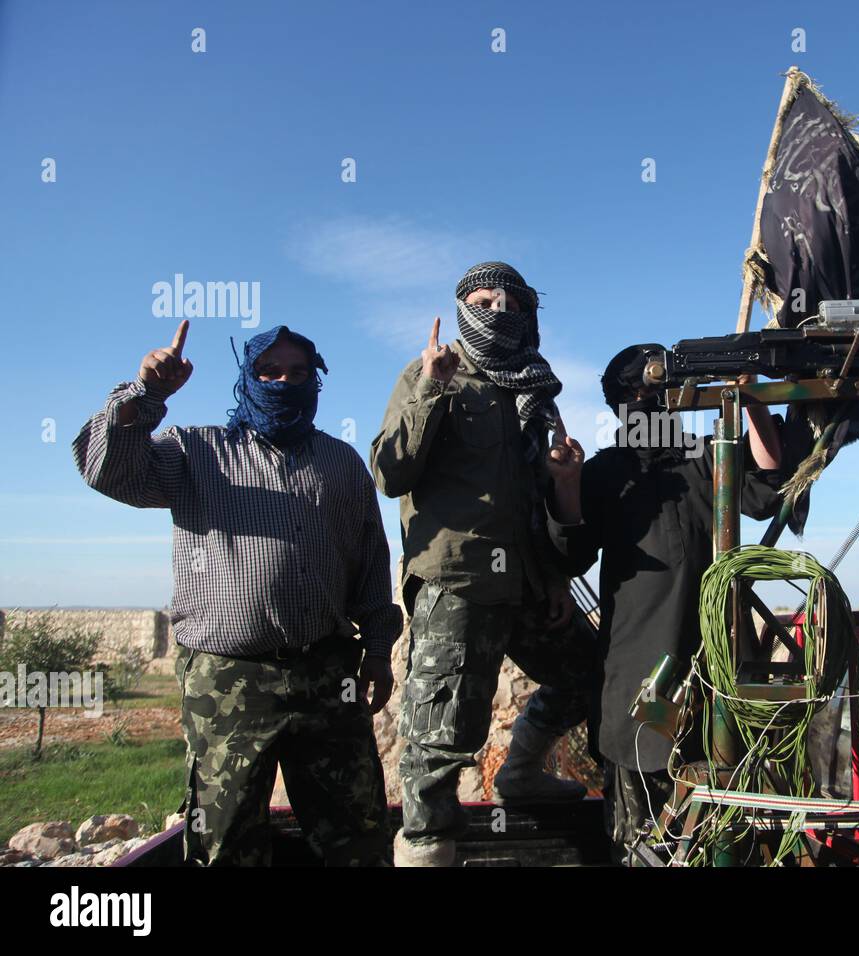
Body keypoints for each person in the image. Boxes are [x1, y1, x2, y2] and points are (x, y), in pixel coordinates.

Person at [72, 320, 400, 866]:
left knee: (355, 835)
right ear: (246, 378)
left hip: (328, 675)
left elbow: (370, 563)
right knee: (225, 843)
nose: (283, 381)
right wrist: (146, 395)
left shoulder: (342, 462)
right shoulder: (195, 451)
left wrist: (380, 651)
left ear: (316, 381)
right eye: (268, 371)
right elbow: (109, 471)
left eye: (298, 372)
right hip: (227, 681)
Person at [371, 261, 598, 867]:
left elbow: (534, 500)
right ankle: (425, 850)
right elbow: (389, 473)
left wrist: (551, 577)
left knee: (590, 674)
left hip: (527, 582)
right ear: (462, 307)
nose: (499, 310)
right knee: (439, 735)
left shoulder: (534, 390)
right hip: (459, 581)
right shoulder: (433, 375)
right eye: (484, 298)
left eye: (514, 303)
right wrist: (431, 389)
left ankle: (520, 771)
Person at [544, 344, 785, 863]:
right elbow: (571, 553)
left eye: (659, 388)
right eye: (643, 391)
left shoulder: (707, 456)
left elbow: (766, 487)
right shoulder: (608, 473)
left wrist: (755, 403)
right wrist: (566, 485)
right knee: (645, 847)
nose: (653, 402)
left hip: (719, 688)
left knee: (723, 833)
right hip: (638, 697)